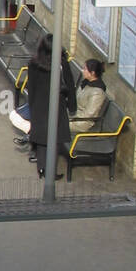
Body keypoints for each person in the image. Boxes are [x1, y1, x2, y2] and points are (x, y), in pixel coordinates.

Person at [25, 33, 76, 178]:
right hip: (56, 105)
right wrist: (72, 106)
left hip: (39, 105)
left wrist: (32, 105)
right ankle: (51, 172)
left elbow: (31, 86)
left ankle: (41, 168)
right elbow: (70, 85)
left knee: (42, 139)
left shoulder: (33, 63)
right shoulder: (61, 64)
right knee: (54, 138)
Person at [69, 59, 109, 136]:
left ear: (92, 73)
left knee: (55, 123)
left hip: (82, 121)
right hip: (75, 114)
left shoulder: (97, 92)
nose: (83, 70)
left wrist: (69, 117)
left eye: (85, 69)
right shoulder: (86, 83)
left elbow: (89, 114)